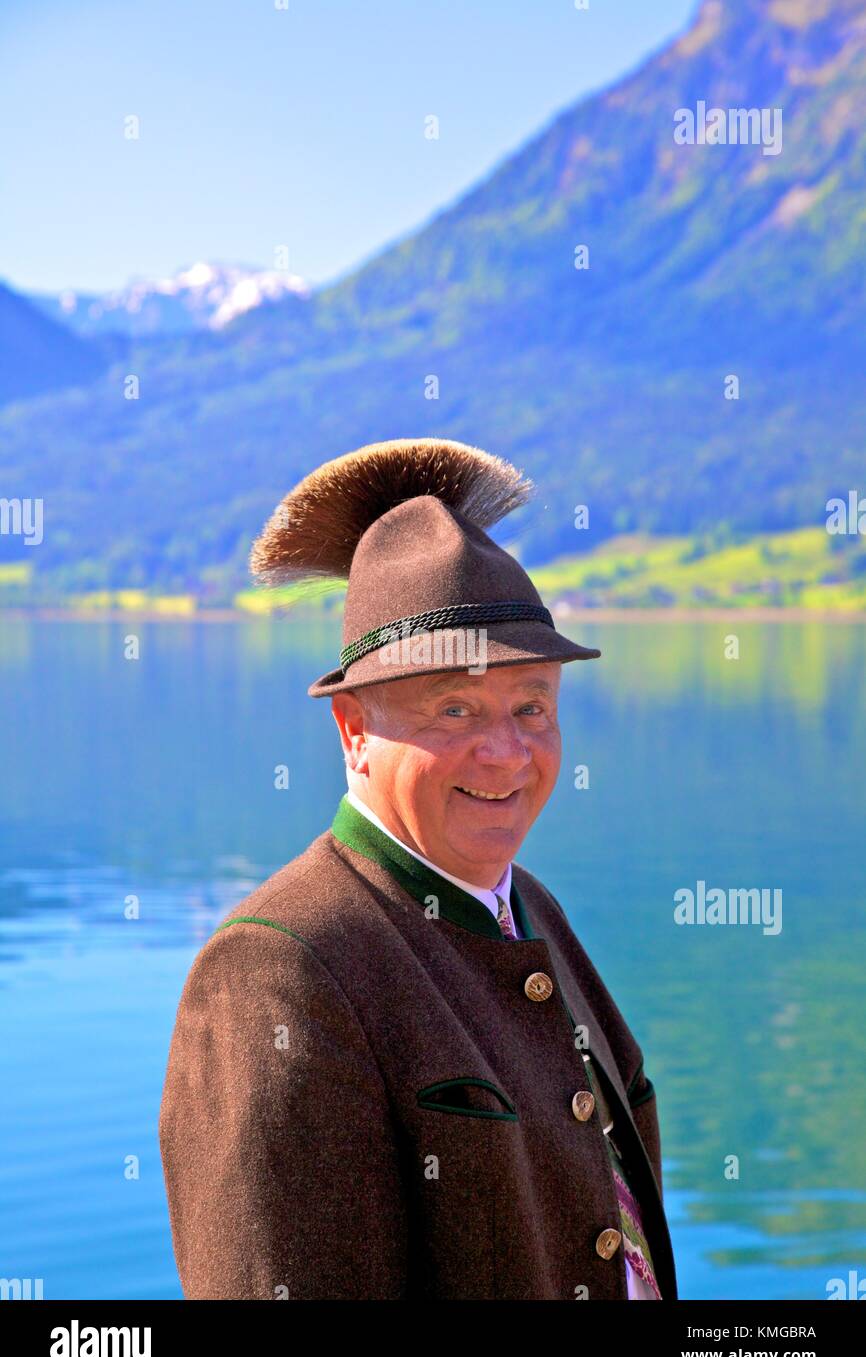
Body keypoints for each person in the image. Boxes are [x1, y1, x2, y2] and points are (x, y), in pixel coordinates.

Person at [158, 437, 678, 1300]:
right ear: (354, 731)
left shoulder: (530, 908)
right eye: (455, 708)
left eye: (531, 706)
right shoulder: (275, 970)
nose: (507, 752)